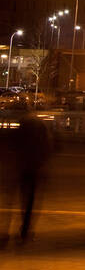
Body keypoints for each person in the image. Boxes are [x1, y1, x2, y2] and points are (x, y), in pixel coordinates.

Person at [1, 102, 52, 244]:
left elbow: (10, 143)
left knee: (10, 200)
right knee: (29, 201)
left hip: (20, 166)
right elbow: (48, 145)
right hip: (35, 167)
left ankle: (5, 233)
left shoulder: (22, 126)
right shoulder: (41, 126)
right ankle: (25, 231)